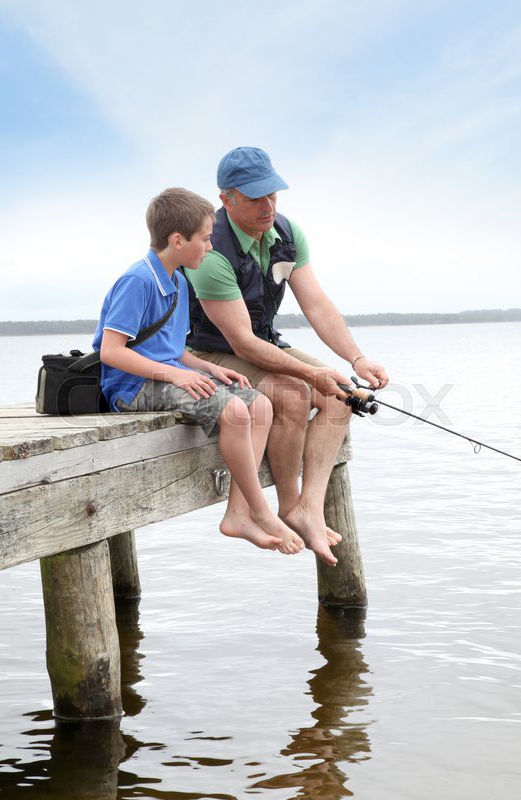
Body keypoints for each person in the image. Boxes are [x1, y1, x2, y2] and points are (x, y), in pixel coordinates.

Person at [185, 148, 389, 567]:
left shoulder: (288, 233)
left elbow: (316, 305)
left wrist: (356, 359)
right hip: (209, 350)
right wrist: (312, 375)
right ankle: (287, 501)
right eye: (256, 197)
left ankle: (307, 509)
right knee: (296, 394)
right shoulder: (211, 252)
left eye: (273, 195)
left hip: (264, 342)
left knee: (343, 393)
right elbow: (241, 343)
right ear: (227, 199)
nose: (268, 206)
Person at [92, 187, 304, 556]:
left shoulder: (177, 280)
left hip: (167, 375)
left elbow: (174, 351)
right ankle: (260, 510)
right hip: (132, 387)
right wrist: (175, 375)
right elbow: (111, 352)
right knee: (235, 411)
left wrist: (208, 368)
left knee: (261, 406)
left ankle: (238, 512)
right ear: (177, 240)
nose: (209, 247)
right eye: (205, 239)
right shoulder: (138, 281)